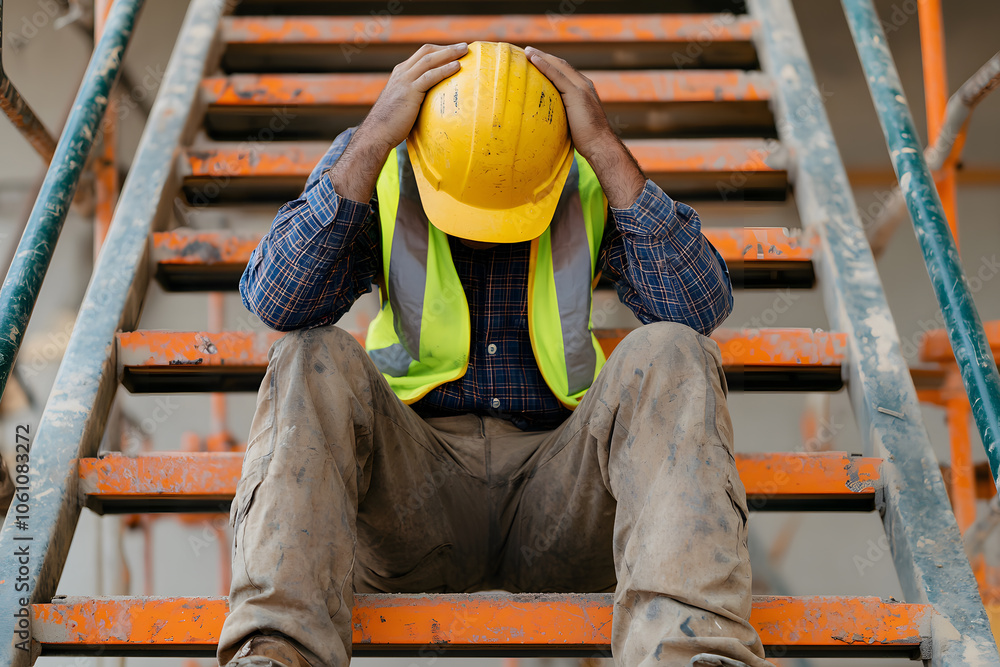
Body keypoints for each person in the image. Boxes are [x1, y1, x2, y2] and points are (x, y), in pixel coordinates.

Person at [218, 41, 772, 667]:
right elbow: (277, 301)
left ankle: (690, 653)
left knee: (672, 349)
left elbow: (698, 310)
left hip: (561, 499)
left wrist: (604, 149)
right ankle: (275, 651)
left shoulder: (582, 167)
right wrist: (372, 138)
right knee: (308, 354)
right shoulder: (382, 162)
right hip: (411, 501)